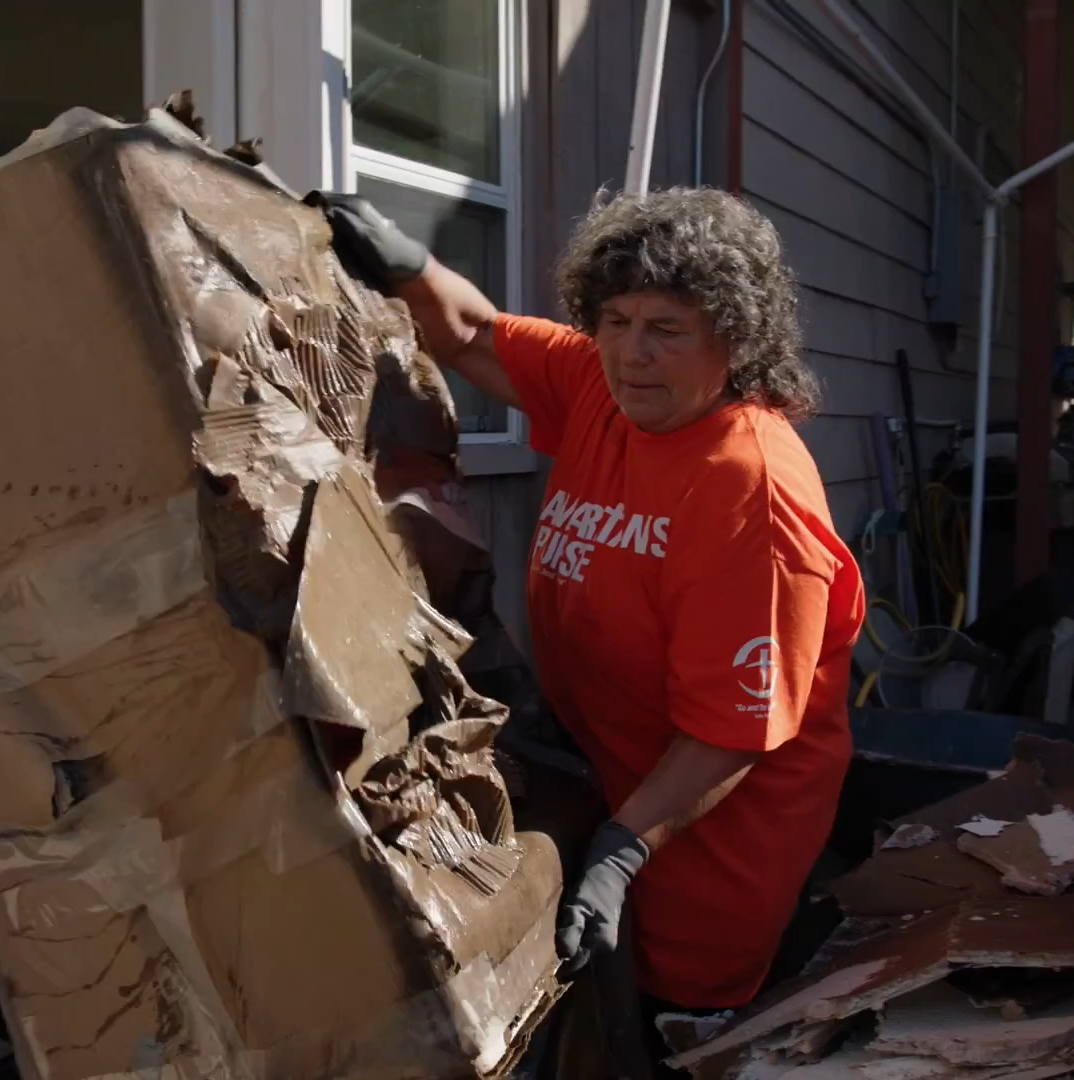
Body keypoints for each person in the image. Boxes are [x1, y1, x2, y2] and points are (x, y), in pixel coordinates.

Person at [314, 187, 866, 1062]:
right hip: (605, 780)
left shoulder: (749, 494)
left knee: (670, 1032)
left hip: (711, 833)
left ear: (734, 339)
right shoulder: (607, 388)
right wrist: (406, 263)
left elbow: (730, 734)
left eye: (667, 329)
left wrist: (621, 852)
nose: (632, 354)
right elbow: (471, 333)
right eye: (615, 320)